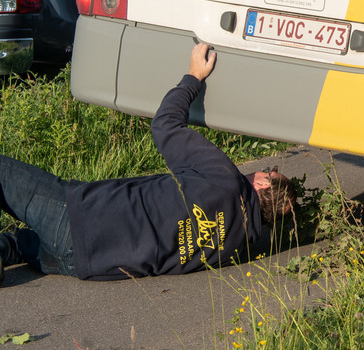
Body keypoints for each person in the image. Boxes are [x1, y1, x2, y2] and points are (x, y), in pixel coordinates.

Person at [0, 42, 295, 283]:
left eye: (269, 171)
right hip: (83, 262)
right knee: (15, 245)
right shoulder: (234, 247)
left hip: (80, 217)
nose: (264, 169)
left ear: (262, 182)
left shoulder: (225, 181)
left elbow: (164, 125)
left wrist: (193, 77)